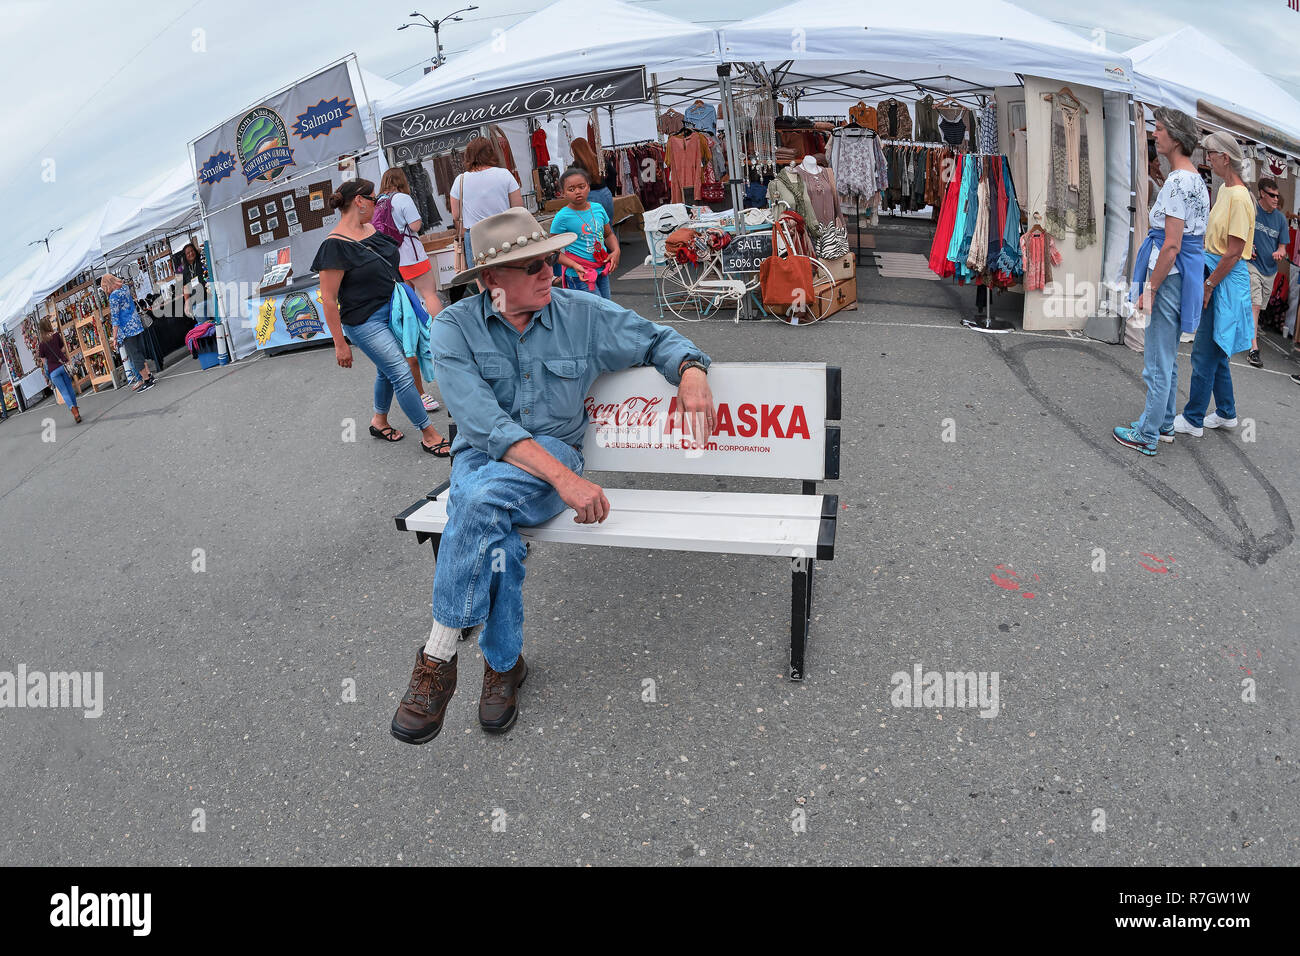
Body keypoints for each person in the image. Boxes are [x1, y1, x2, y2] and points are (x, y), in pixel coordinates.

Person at [389, 208, 714, 744]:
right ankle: (503, 664)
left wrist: (692, 371)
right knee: (497, 533)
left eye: (551, 259)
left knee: (473, 503)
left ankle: (438, 656)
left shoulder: (581, 313)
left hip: (552, 458)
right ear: (491, 280)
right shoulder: (453, 328)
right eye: (533, 265)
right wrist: (566, 483)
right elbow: (482, 422)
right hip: (489, 461)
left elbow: (657, 338)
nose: (550, 271)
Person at [311, 179, 450, 457]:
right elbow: (328, 300)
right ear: (359, 201)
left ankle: (379, 421)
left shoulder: (372, 229)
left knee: (386, 371)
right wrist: (340, 344)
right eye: (375, 199)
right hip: (364, 321)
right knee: (400, 372)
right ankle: (428, 434)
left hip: (393, 312)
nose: (379, 204)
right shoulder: (334, 246)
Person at [1113, 108, 1208, 457]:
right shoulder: (1195, 180)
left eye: (1160, 128)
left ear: (1177, 138)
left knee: (1157, 355)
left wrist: (1149, 287)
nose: (1155, 133)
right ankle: (1164, 422)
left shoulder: (1177, 181)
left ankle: (1148, 432)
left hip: (1169, 273)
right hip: (1183, 272)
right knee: (1167, 354)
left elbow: (1171, 244)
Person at [1173, 132, 1255, 439]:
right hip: (1220, 273)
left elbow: (1234, 251)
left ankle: (1193, 418)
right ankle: (1226, 412)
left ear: (1225, 157)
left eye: (1211, 154)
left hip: (1221, 276)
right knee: (1216, 349)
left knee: (1205, 350)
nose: (1208, 159)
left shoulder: (1237, 196)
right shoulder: (1228, 191)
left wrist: (1208, 284)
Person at [376, 167, 443, 412]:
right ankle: (442, 330)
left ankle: (417, 335)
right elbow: (415, 225)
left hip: (393, 262)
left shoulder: (378, 202)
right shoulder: (403, 198)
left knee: (408, 303)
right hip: (413, 257)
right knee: (429, 293)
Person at [449, 138, 523, 284]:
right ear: (491, 153)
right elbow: (518, 208)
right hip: (504, 230)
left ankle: (490, 305)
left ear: (468, 155)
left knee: (483, 280)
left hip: (476, 235)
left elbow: (456, 215)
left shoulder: (461, 180)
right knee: (508, 276)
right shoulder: (505, 174)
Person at [551, 166, 620, 300]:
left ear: (588, 187)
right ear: (563, 193)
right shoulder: (562, 217)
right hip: (578, 275)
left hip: (601, 270)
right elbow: (553, 252)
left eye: (581, 186)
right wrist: (574, 265)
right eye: (571, 189)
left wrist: (616, 251)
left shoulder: (598, 208)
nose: (577, 192)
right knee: (594, 313)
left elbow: (609, 235)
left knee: (607, 309)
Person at [1244, 176, 1289, 367]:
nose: (1276, 199)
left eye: (1277, 196)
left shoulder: (1280, 219)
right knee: (1255, 306)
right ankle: (1254, 349)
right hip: (1252, 265)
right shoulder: (1252, 211)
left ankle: (1243, 332)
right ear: (1262, 194)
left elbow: (1283, 247)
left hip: (1270, 271)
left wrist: (1280, 252)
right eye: (1272, 195)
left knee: (1258, 307)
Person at [104, 273, 156, 391]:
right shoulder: (125, 288)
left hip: (126, 329)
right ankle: (149, 375)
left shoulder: (113, 297)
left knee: (134, 355)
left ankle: (146, 380)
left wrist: (115, 337)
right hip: (136, 324)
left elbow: (115, 319)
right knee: (139, 352)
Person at [36, 316, 80, 423]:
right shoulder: (56, 336)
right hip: (63, 366)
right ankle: (76, 409)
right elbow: (63, 349)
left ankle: (74, 412)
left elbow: (44, 362)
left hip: (53, 371)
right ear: (49, 325)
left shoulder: (41, 344)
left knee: (64, 392)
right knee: (70, 388)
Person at [570, 137, 614, 224]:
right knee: (608, 227)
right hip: (605, 193)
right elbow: (613, 173)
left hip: (590, 196)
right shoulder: (600, 160)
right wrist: (610, 189)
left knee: (595, 229)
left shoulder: (576, 166)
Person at [180, 242, 207, 319]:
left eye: (192, 251)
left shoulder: (202, 262)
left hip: (208, 297)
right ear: (185, 256)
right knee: (203, 327)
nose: (191, 253)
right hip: (196, 303)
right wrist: (187, 303)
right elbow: (185, 288)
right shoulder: (184, 271)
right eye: (188, 253)